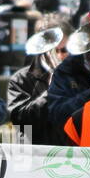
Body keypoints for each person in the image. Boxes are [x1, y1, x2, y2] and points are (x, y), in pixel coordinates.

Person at [8, 16, 70, 146]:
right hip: (35, 156)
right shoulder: (20, 79)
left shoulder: (79, 75)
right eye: (54, 50)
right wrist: (51, 91)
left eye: (65, 50)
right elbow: (21, 121)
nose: (60, 56)